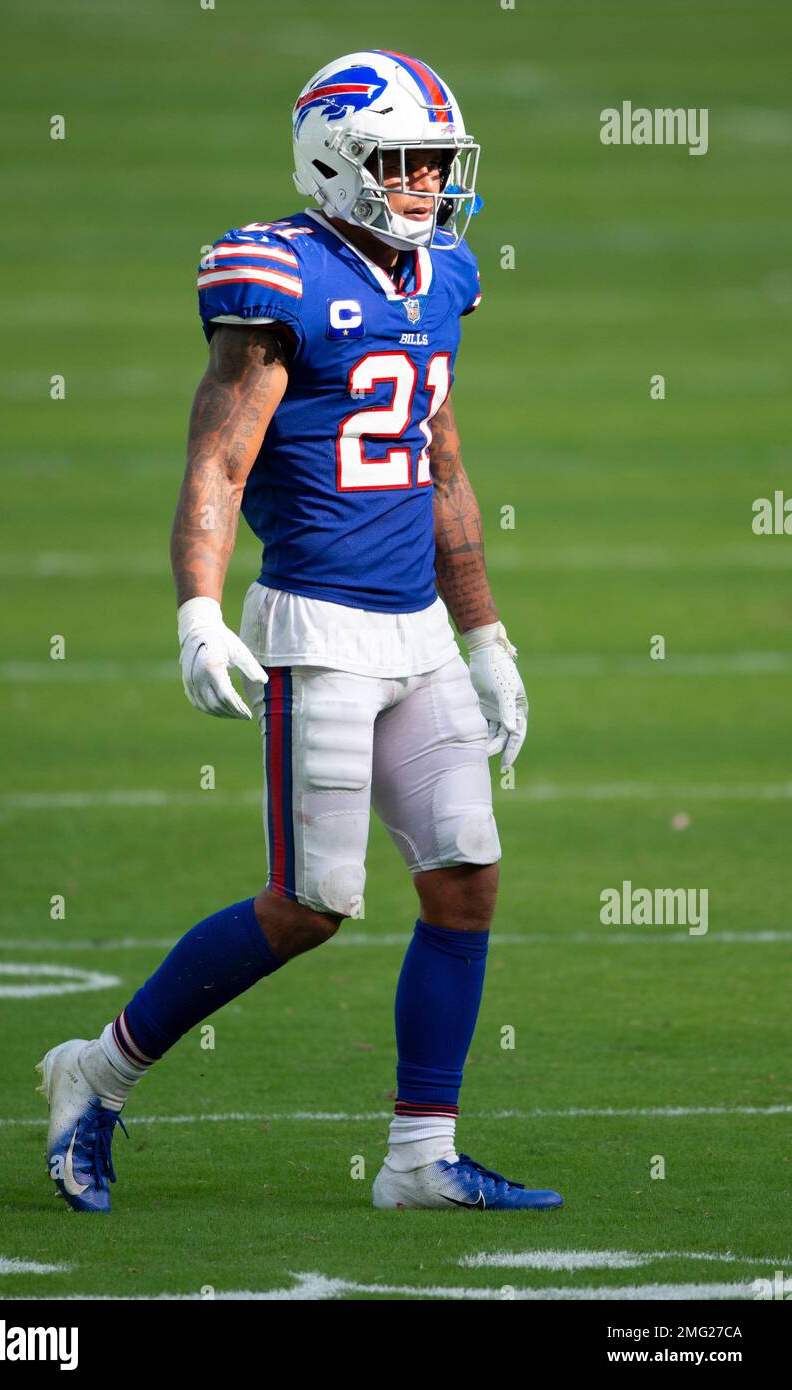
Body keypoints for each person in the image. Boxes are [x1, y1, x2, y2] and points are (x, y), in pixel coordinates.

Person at [37, 49, 563, 1215]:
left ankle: (420, 1155)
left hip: (418, 632)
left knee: (465, 878)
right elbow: (219, 458)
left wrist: (487, 637)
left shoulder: (441, 275)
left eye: (436, 160)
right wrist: (196, 611)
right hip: (317, 624)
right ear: (335, 159)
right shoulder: (274, 276)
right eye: (400, 160)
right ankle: (96, 1072)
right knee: (308, 906)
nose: (424, 181)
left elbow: (444, 466)